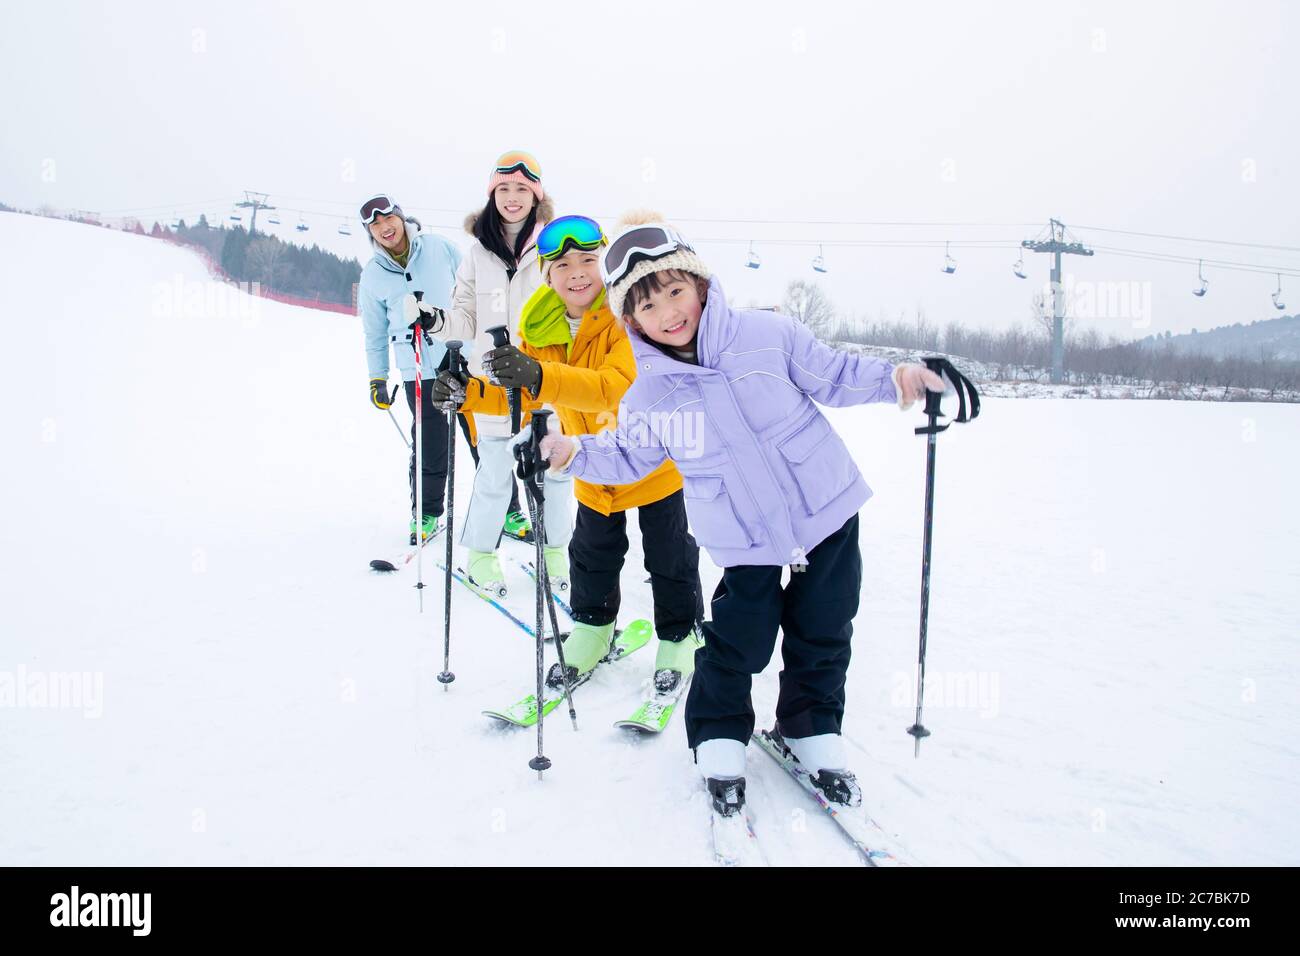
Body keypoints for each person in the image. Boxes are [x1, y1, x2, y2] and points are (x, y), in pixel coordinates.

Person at [533, 213, 945, 822]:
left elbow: (834, 376)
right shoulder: (648, 390)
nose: (669, 313)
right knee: (738, 639)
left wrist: (898, 379)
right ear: (631, 319)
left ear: (700, 284)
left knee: (825, 626)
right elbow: (628, 455)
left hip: (822, 506)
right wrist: (571, 452)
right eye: (648, 306)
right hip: (742, 534)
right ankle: (719, 733)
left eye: (676, 291)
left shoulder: (768, 335)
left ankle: (809, 728)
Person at [474, 215, 704, 688]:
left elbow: (613, 387)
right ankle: (593, 629)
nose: (577, 272)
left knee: (670, 554)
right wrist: (468, 393)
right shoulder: (539, 331)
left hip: (653, 461)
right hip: (592, 466)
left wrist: (540, 376)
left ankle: (681, 636)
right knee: (592, 554)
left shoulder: (628, 317)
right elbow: (523, 395)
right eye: (562, 265)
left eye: (587, 260)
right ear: (546, 274)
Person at [431, 151, 569, 598]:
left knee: (556, 468)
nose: (513, 198)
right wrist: (436, 321)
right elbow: (465, 318)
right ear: (493, 195)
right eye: (504, 189)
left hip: (546, 378)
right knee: (493, 471)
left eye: (522, 189)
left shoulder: (555, 247)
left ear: (536, 197)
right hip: (491, 382)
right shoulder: (477, 253)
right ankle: (481, 556)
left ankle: (555, 551)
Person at [356, 193, 462, 545]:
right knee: (430, 443)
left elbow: (472, 291)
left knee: (485, 437)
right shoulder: (373, 276)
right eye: (375, 225)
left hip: (461, 355)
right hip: (417, 366)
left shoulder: (439, 248)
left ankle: (507, 510)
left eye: (389, 219)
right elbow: (374, 333)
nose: (385, 228)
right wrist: (378, 378)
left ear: (401, 218)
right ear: (370, 232)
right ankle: (427, 514)